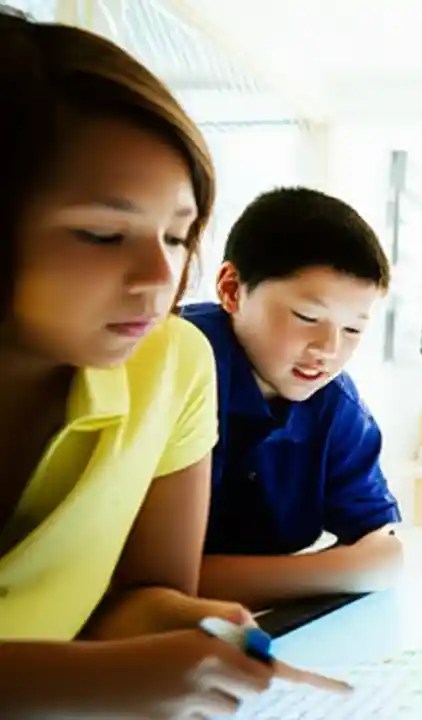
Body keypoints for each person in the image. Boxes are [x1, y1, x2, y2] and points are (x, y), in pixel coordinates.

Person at [0, 14, 341, 717]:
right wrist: (93, 682)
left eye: (179, 234)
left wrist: (189, 628)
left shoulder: (175, 364)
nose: (161, 275)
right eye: (101, 233)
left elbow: (135, 599)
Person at [183, 187, 404, 609]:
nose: (328, 348)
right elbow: (146, 576)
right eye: (307, 317)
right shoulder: (174, 361)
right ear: (231, 290)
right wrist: (342, 569)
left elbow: (385, 552)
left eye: (354, 329)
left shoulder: (335, 405)